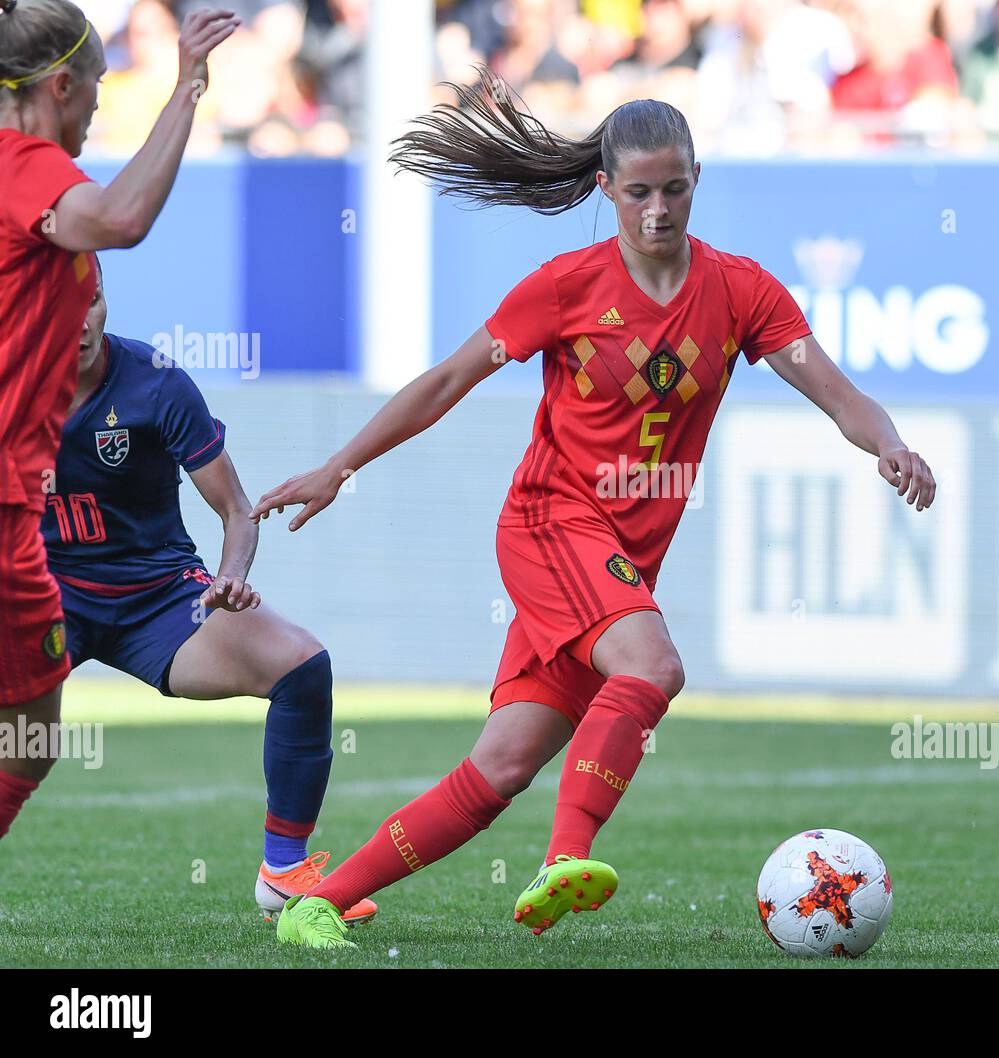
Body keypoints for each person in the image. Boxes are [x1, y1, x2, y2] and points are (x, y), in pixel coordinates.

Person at [253, 71, 936, 950]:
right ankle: (564, 858)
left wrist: (886, 441)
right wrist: (339, 465)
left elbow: (836, 391)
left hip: (619, 558)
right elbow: (446, 382)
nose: (659, 209)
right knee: (651, 668)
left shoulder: (741, 290)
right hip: (551, 524)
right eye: (640, 191)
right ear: (606, 189)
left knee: (501, 766)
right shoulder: (567, 285)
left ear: (698, 179)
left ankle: (319, 901)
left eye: (676, 188)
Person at [40, 262, 376, 925]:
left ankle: (283, 870)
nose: (79, 319)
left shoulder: (156, 382)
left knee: (303, 667)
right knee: (22, 746)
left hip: (160, 602)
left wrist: (232, 575)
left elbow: (236, 513)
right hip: (47, 597)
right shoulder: (10, 386)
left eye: (92, 299)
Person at [0, 0, 237, 839]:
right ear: (59, 85)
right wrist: (188, 90)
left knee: (27, 740)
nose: (95, 116)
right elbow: (124, 219)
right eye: (95, 98)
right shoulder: (21, 162)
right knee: (26, 739)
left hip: (18, 512)